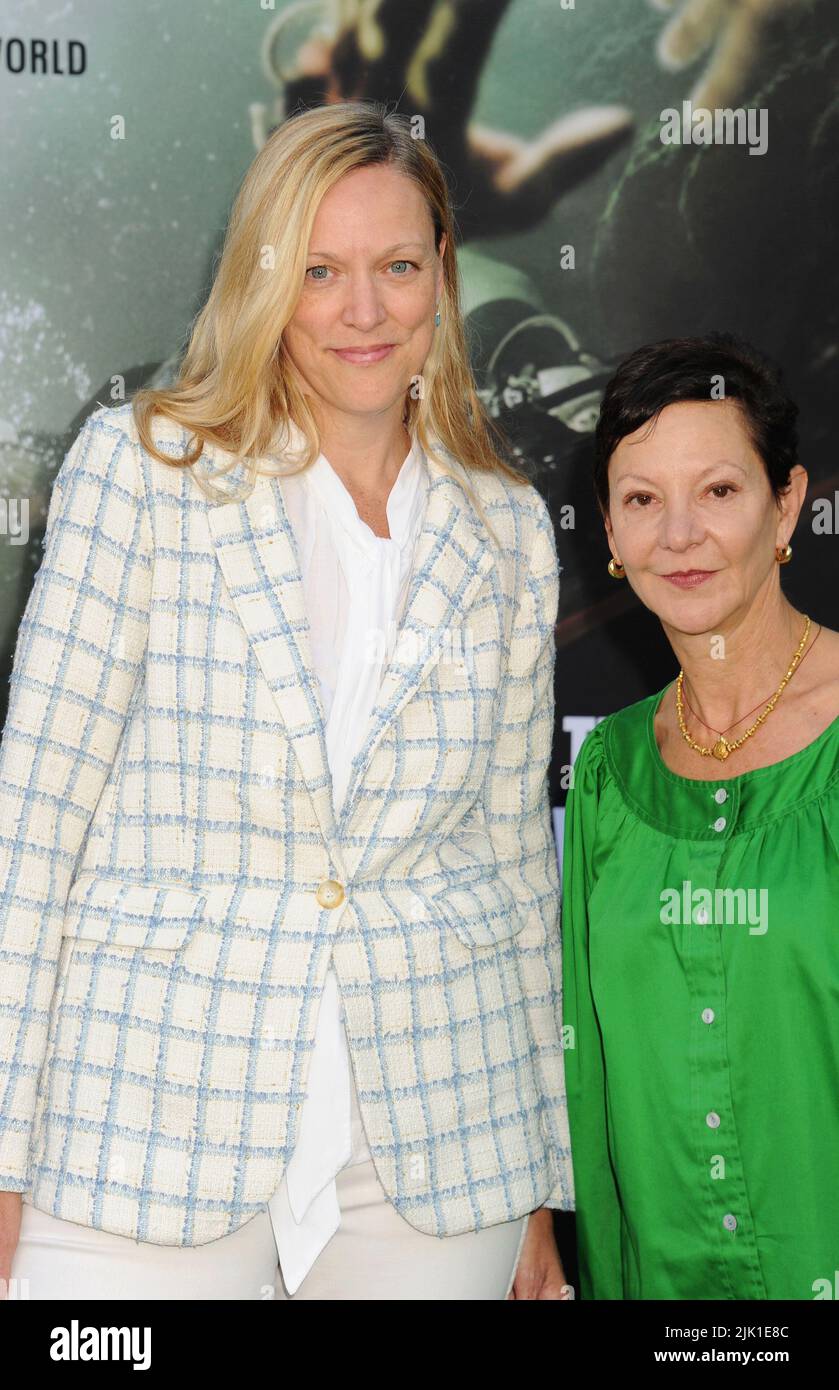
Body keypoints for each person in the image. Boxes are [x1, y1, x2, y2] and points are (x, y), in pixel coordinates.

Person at [0, 101, 574, 1301]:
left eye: (395, 267)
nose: (362, 311)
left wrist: (534, 1180)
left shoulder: (506, 528)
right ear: (265, 281)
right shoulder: (141, 472)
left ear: (439, 280)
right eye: (319, 270)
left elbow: (517, 863)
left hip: (433, 1145)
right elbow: (30, 823)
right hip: (142, 1127)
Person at [561, 331, 839, 1299]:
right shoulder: (605, 772)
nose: (678, 535)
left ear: (786, 505)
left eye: (717, 491)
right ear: (607, 531)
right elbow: (584, 1068)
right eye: (641, 500)